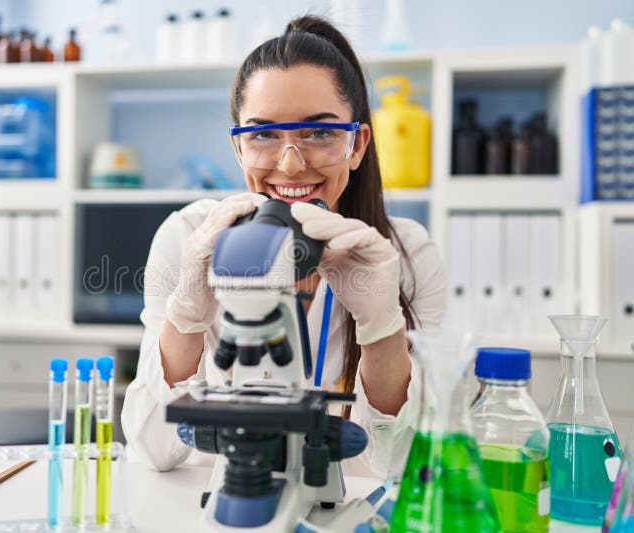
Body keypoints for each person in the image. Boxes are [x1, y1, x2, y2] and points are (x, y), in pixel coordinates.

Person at [121, 15, 446, 477]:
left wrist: (381, 330)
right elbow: (154, 450)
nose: (290, 165)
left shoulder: (408, 255)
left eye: (319, 133)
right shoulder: (187, 235)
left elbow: (402, 465)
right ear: (238, 149)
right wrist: (187, 315)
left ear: (356, 145)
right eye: (263, 135)